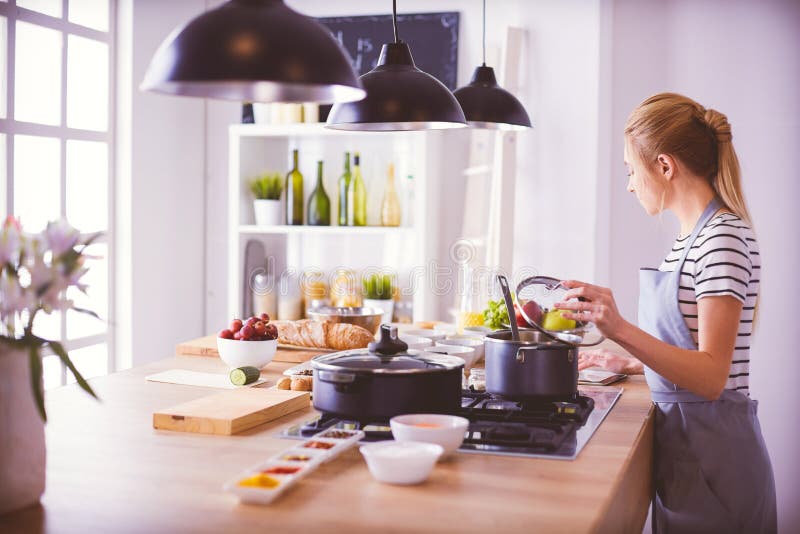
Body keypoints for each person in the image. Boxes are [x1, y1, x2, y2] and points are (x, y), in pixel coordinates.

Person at [554, 93, 777, 533]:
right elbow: (690, 351)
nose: (630, 184)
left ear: (664, 165)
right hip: (690, 457)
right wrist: (632, 363)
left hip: (717, 467)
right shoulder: (689, 239)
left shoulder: (721, 240)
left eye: (630, 170)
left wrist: (616, 327)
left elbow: (713, 376)